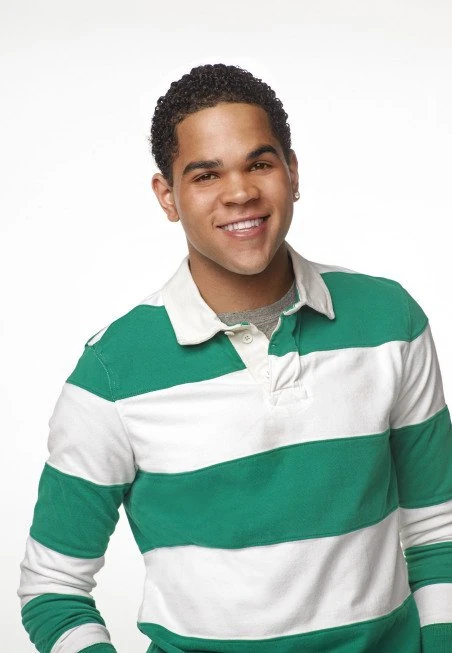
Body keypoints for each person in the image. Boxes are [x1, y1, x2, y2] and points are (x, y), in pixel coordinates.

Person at [18, 63, 452, 653]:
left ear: (293, 173)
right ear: (167, 197)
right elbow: (53, 586)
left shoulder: (389, 321)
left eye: (260, 164)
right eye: (205, 175)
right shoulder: (113, 374)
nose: (240, 192)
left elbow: (437, 529)